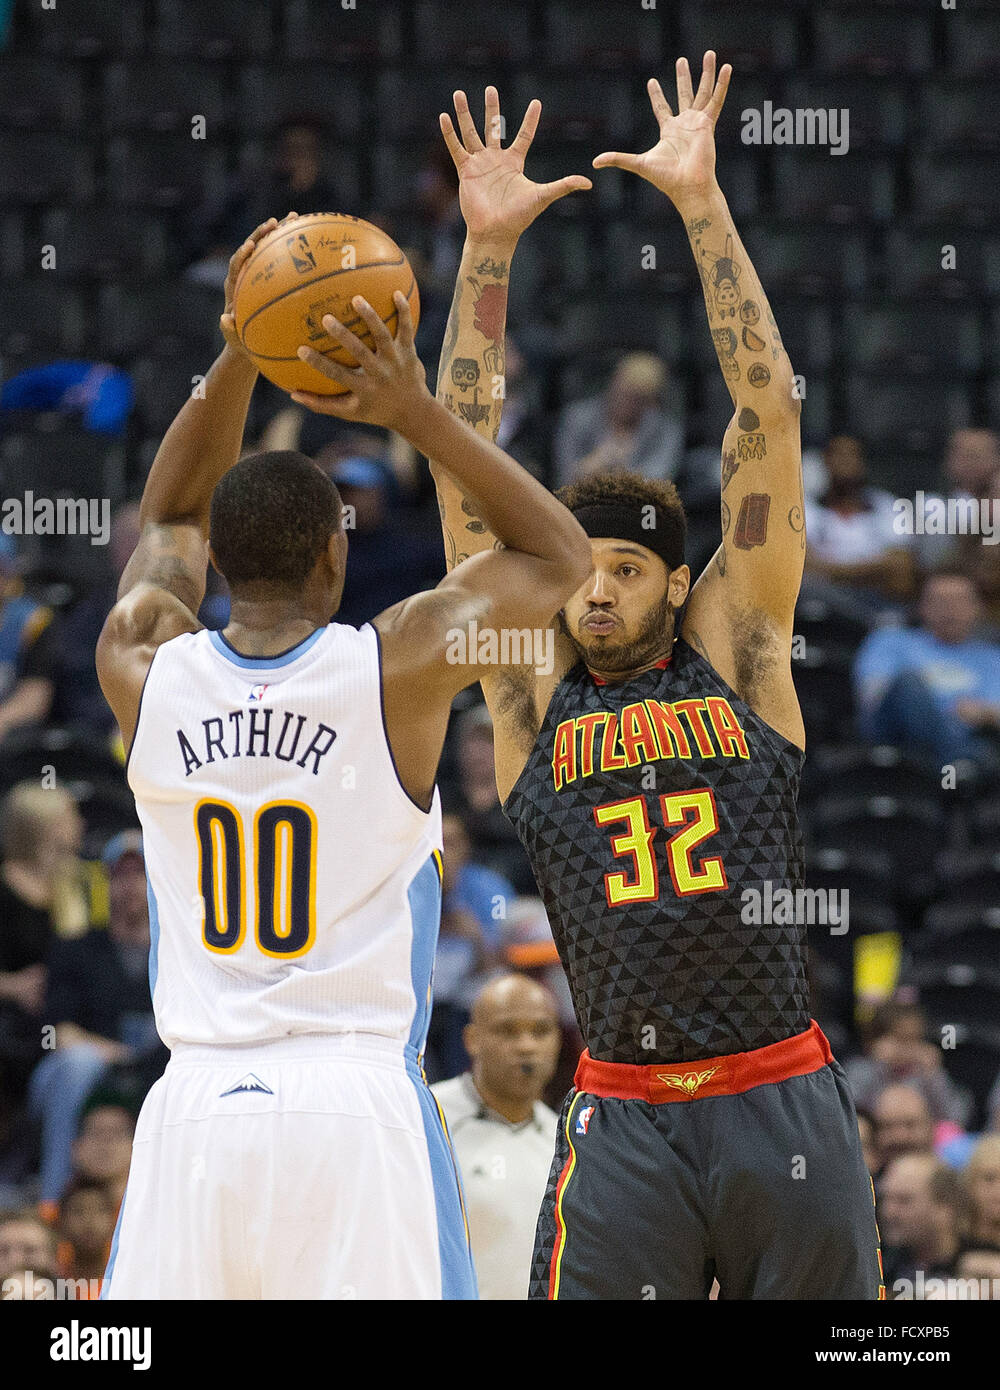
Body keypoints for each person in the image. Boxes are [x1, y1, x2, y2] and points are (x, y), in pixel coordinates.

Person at [431, 61, 882, 1299]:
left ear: (676, 585)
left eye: (626, 569)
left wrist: (699, 203)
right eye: (581, 570)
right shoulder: (526, 686)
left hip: (775, 1090)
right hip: (620, 1109)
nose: (596, 592)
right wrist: (484, 252)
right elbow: (461, 466)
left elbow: (766, 413)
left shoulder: (738, 654)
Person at [93, 216, 590, 1300]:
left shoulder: (143, 664)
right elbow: (559, 553)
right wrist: (415, 412)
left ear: (216, 561)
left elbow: (169, 508)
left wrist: (238, 343)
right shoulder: (395, 668)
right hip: (351, 1102)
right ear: (336, 553)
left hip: (196, 1107)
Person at [28, 831, 166, 1208]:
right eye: (120, 875)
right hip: (85, 1073)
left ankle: (171, 1200)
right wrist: (119, 1054)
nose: (131, 886)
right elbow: (57, 1033)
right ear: (106, 882)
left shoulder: (178, 951)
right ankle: (54, 1201)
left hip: (155, 1070)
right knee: (75, 1063)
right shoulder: (77, 949)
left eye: (141, 874)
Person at [432, 975, 560, 1299]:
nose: (526, 1046)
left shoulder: (566, 1142)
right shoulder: (428, 1120)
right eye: (507, 1030)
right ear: (472, 1039)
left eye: (540, 1031)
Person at [854, 568, 1000, 767]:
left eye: (959, 602)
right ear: (922, 607)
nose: (950, 610)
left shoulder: (992, 658)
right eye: (940, 602)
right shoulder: (890, 640)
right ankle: (959, 761)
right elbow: (872, 698)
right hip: (898, 737)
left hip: (970, 734)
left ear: (977, 608)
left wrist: (985, 713)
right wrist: (942, 711)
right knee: (908, 682)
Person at [802, 434, 914, 623]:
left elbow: (901, 568)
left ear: (863, 462)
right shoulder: (805, 508)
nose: (845, 463)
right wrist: (875, 571)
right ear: (825, 462)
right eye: (837, 455)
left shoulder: (888, 506)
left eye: (851, 456)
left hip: (876, 600)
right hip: (824, 598)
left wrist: (830, 571)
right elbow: (805, 567)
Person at [553, 351, 684, 487]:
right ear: (613, 385)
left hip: (637, 506)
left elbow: (657, 481)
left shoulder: (665, 430)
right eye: (623, 394)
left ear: (650, 402)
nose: (626, 403)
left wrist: (619, 466)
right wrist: (601, 458)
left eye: (637, 399)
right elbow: (565, 478)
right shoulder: (577, 417)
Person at [877, 1154, 965, 1296]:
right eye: (885, 1199)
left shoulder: (979, 1267)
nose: (888, 1212)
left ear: (944, 1206)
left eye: (904, 1201)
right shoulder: (879, 1264)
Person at [873, 1084, 937, 1169]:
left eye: (910, 1125)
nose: (900, 1137)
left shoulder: (952, 1179)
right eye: (888, 1126)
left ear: (929, 1128)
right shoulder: (862, 1180)